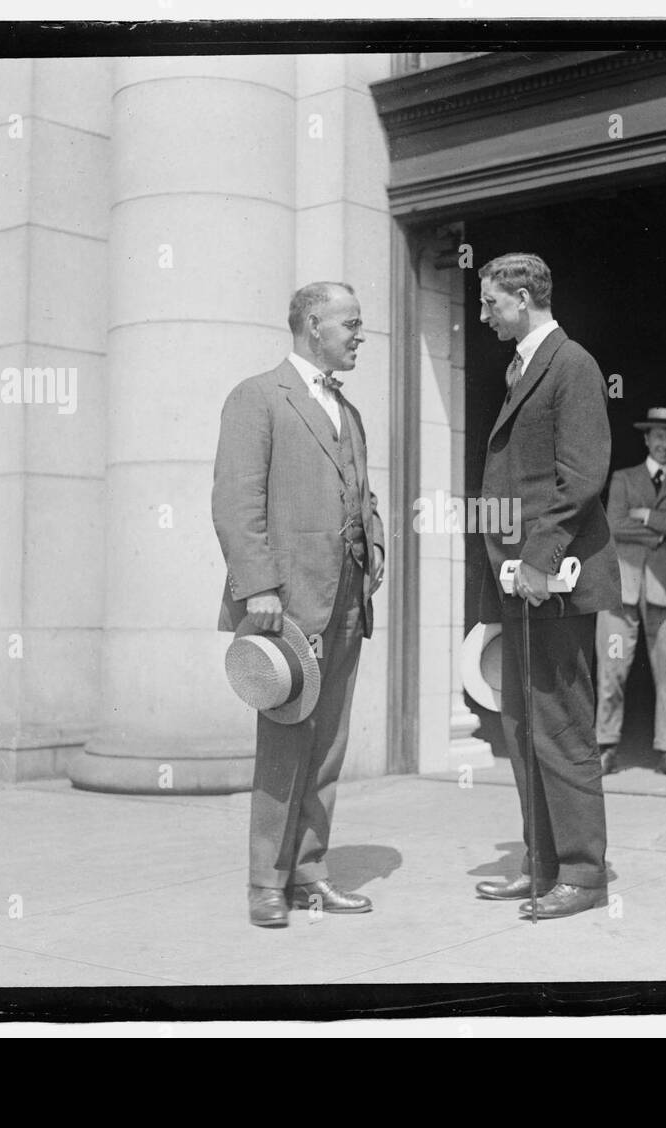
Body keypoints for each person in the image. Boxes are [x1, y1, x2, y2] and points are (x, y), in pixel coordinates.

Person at [212, 282, 384, 929]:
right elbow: (235, 501)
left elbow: (361, 497)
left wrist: (378, 547)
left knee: (329, 745)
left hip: (345, 603)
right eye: (352, 324)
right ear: (314, 326)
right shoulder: (257, 397)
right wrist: (258, 586)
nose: (360, 335)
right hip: (284, 607)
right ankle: (266, 882)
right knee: (286, 745)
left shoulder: (348, 411)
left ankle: (310, 875)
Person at [473, 252, 621, 921]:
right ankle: (542, 865)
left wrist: (537, 559)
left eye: (491, 303)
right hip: (520, 586)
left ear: (525, 296)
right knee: (523, 727)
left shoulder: (572, 365)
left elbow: (582, 474)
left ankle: (584, 876)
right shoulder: (524, 368)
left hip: (551, 584)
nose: (483, 314)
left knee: (560, 728)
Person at [596, 407, 666, 778]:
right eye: (658, 436)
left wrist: (646, 516)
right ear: (646, 438)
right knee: (612, 669)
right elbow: (614, 525)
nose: (664, 443)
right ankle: (606, 747)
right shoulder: (623, 478)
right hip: (620, 587)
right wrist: (659, 533)